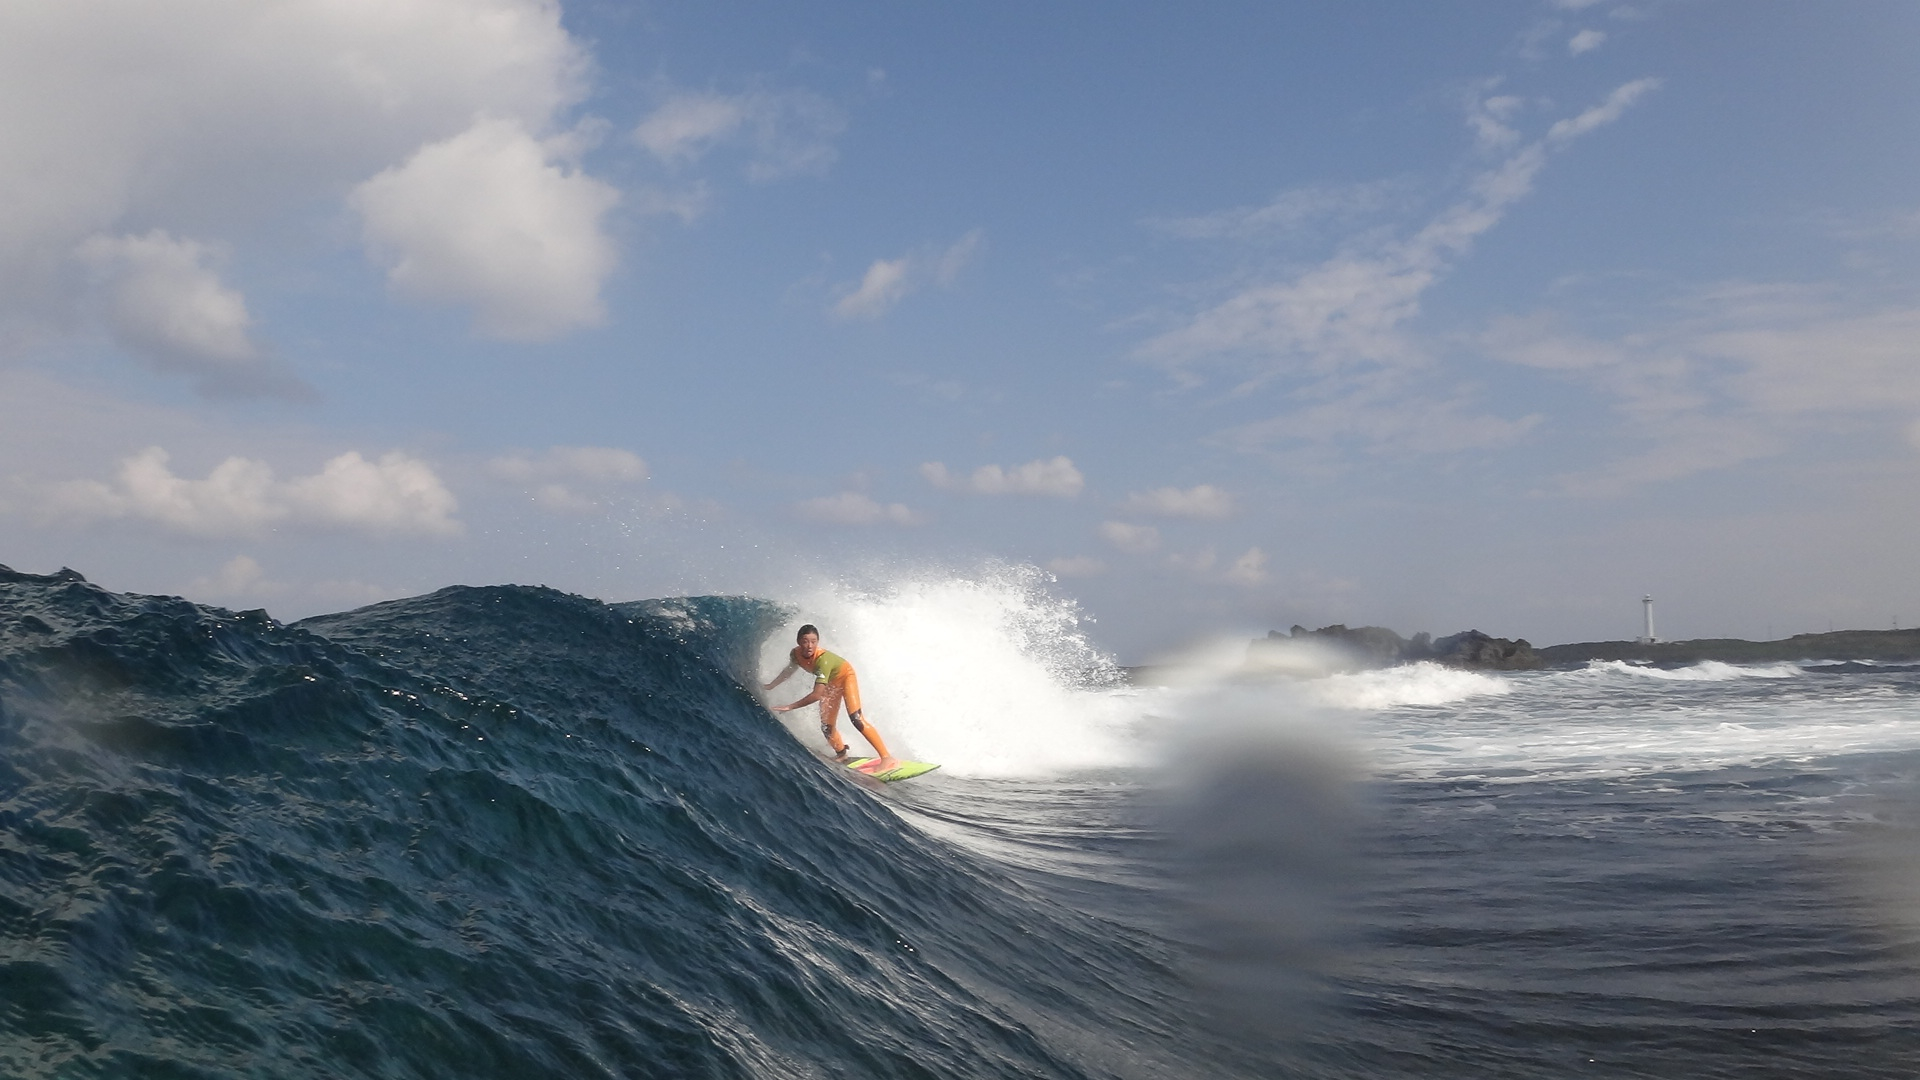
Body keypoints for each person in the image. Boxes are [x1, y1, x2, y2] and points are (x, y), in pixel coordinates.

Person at [764, 624, 899, 773]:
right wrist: (771, 685)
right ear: (798, 642)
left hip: (845, 676)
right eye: (805, 641)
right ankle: (842, 754)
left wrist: (790, 707)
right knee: (827, 727)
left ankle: (886, 758)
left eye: (814, 641)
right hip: (830, 683)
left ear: (818, 642)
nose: (809, 646)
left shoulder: (823, 660)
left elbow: (816, 695)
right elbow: (788, 671)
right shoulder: (795, 654)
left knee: (856, 718)